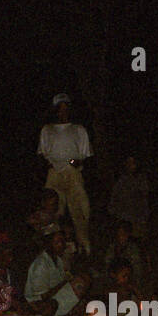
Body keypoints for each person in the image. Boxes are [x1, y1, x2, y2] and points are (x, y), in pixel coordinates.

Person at [38, 94, 93, 255]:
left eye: (66, 109)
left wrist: (78, 163)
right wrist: (48, 165)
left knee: (80, 211)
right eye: (60, 109)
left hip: (73, 172)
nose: (63, 112)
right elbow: (41, 153)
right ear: (55, 111)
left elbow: (87, 155)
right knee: (52, 212)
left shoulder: (78, 129)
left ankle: (84, 248)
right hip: (54, 172)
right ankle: (50, 250)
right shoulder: (47, 130)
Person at [25, 227, 86, 316]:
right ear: (48, 244)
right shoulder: (41, 265)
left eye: (62, 241)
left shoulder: (57, 260)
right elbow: (42, 297)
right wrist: (65, 283)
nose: (61, 245)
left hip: (54, 297)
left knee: (82, 281)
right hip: (40, 303)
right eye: (57, 242)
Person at [108, 155, 150, 238]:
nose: (130, 166)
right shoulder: (121, 181)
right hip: (124, 218)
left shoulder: (141, 179)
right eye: (128, 163)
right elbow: (115, 197)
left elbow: (144, 197)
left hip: (137, 218)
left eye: (132, 163)